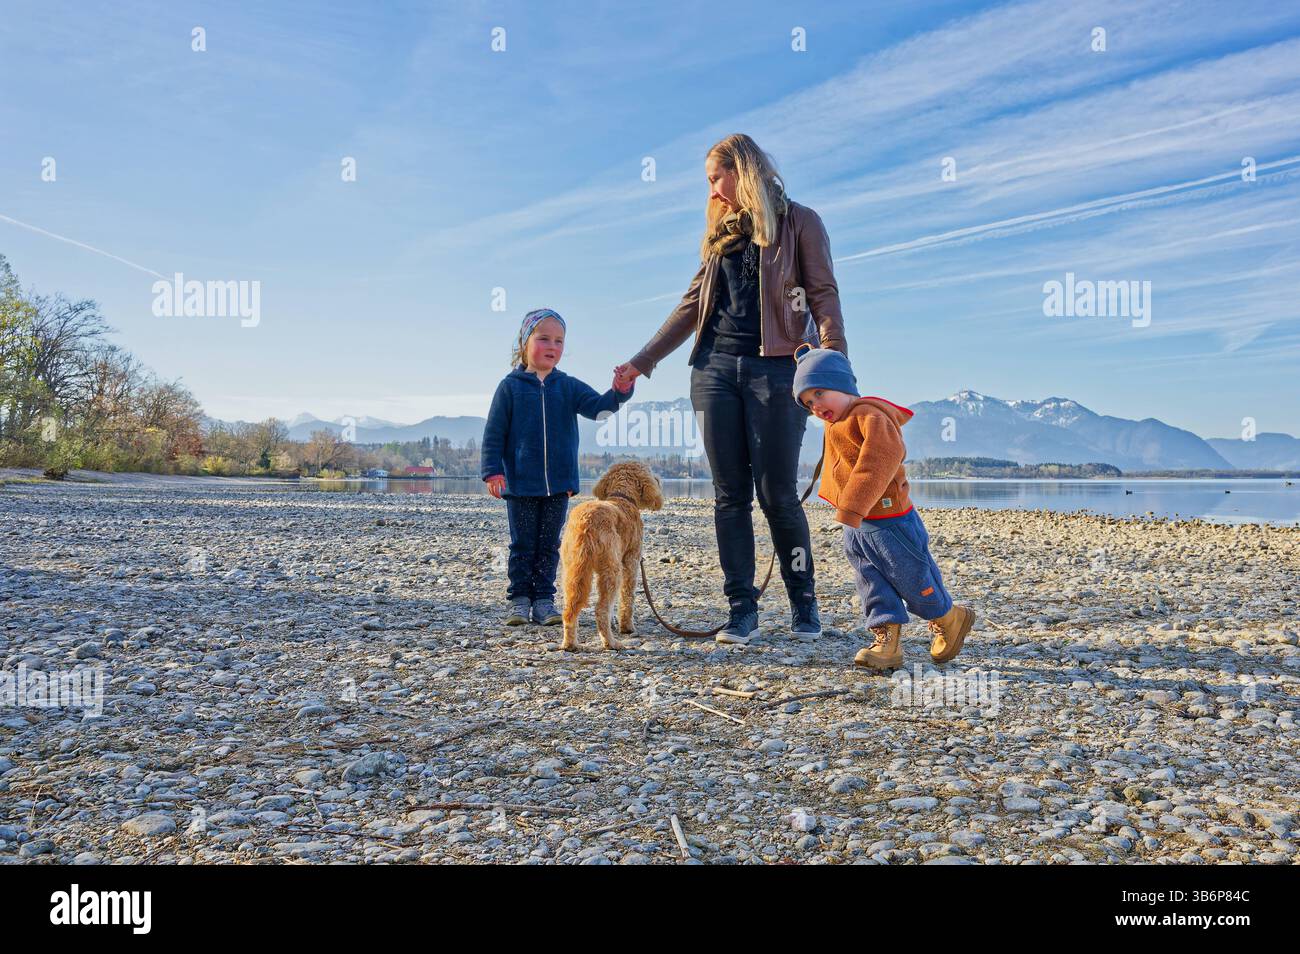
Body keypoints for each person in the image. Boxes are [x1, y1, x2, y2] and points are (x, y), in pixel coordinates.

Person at [614, 133, 847, 645]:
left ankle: (803, 603)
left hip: (779, 370)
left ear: (743, 171)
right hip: (714, 371)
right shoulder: (719, 234)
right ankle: (742, 609)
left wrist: (833, 364)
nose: (713, 190)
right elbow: (689, 306)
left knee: (778, 494)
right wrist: (641, 360)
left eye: (716, 177)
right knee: (729, 496)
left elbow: (823, 294)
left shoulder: (799, 222)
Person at [791, 344, 975, 669]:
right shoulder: (836, 423)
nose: (816, 406)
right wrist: (847, 511)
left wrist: (851, 506)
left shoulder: (871, 416)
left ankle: (949, 617)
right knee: (871, 584)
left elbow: (878, 463)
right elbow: (840, 468)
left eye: (819, 393)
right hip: (858, 525)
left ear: (843, 384)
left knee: (914, 578)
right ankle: (886, 643)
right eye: (808, 403)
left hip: (892, 522)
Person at [481, 308, 633, 626]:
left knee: (551, 544)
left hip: (558, 484)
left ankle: (545, 601)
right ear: (525, 342)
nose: (553, 345)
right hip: (520, 483)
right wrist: (493, 471)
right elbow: (494, 433)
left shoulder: (568, 386)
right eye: (544, 338)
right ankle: (519, 600)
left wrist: (620, 391)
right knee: (522, 543)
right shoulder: (510, 387)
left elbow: (599, 410)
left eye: (559, 340)